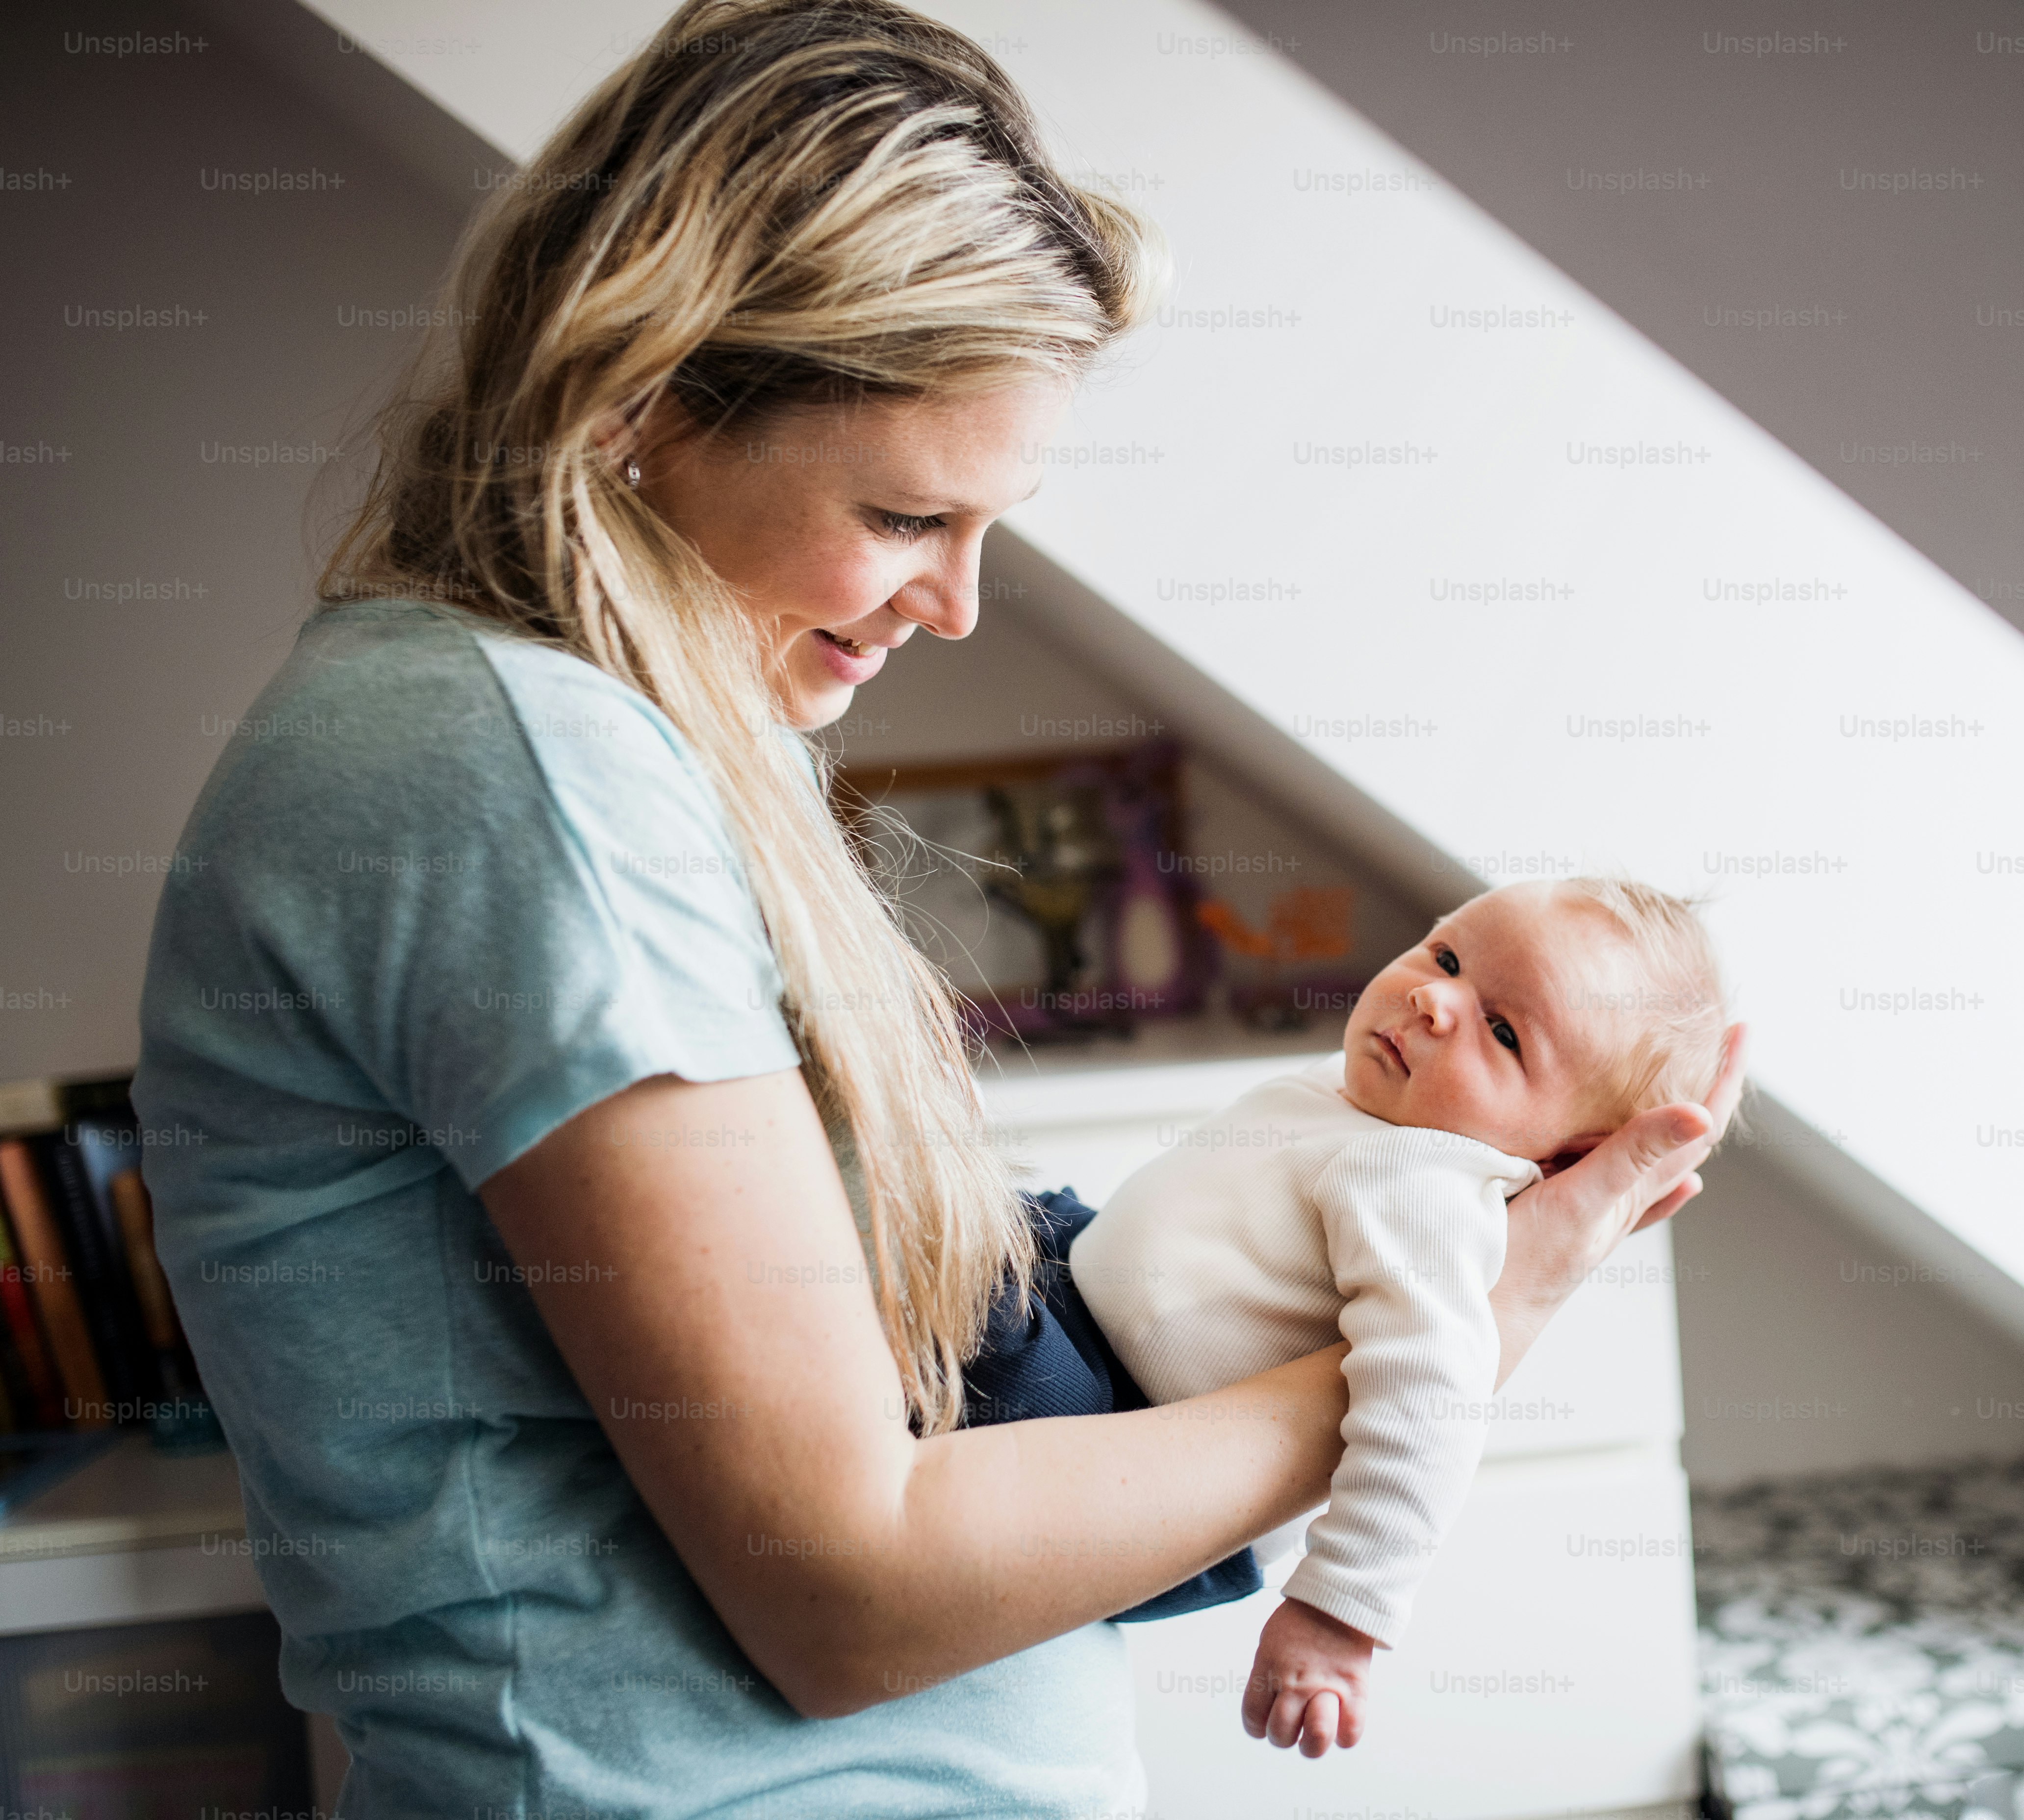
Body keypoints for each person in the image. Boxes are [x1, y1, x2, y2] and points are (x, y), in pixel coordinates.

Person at [130, 3, 1743, 1813]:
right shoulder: (525, 776)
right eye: (904, 514)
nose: (955, 604)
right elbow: (847, 1588)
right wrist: (1465, 1339)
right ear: (644, 395)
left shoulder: (544, 735)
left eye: (987, 527)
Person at [1073, 877, 1728, 1757]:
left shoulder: (1425, 1182)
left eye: (1504, 1032)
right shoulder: (1370, 1103)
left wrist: (1342, 1611)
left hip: (1109, 1422)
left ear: (1567, 1153)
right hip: (1082, 1323)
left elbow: (1432, 1401)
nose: (1434, 998)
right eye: (1447, 955)